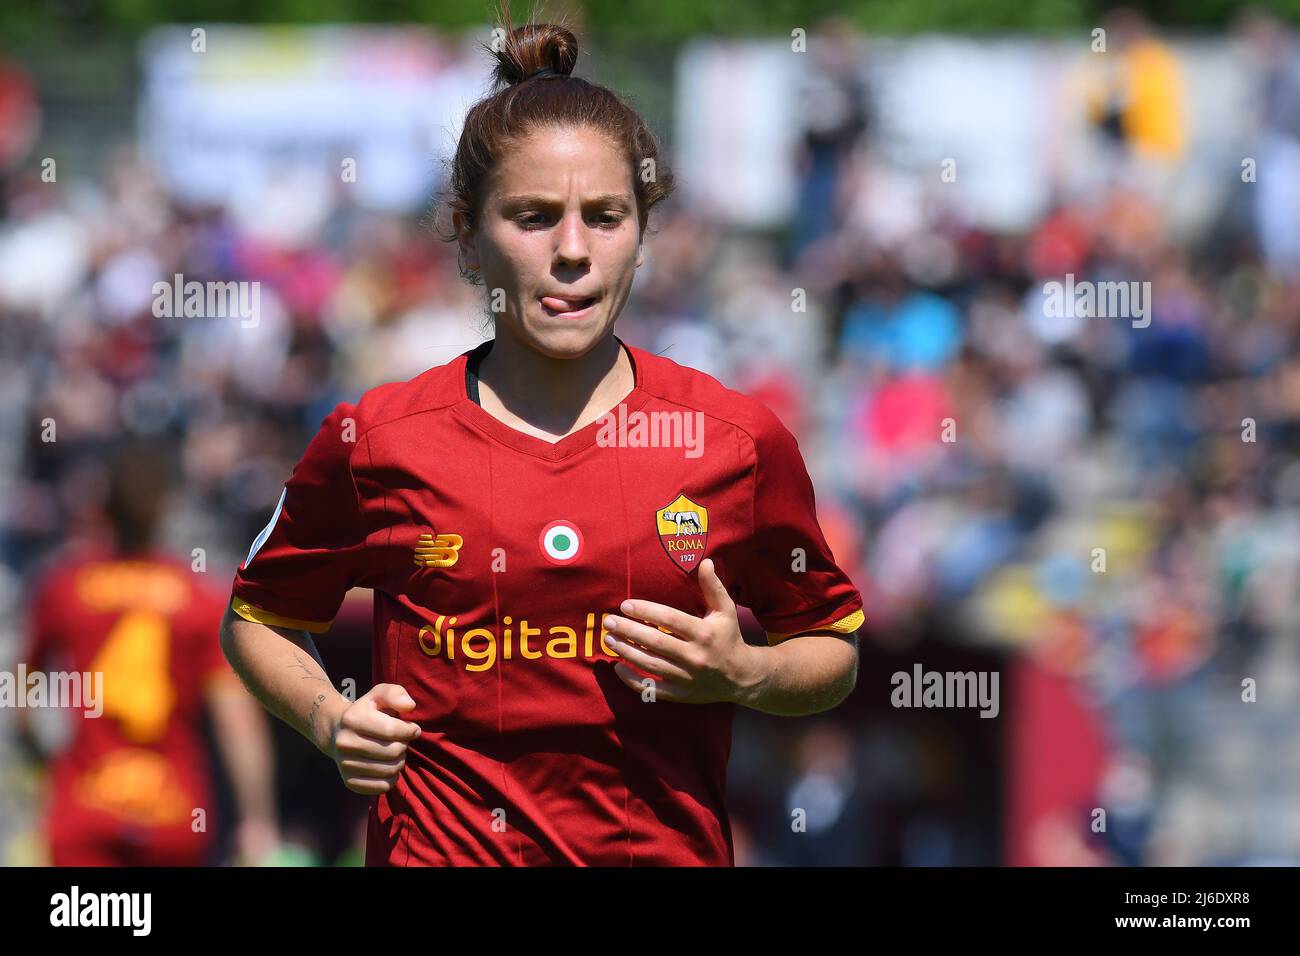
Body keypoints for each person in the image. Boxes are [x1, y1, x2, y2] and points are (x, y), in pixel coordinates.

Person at [220, 10, 864, 866]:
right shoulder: (375, 440)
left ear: (644, 232)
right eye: (532, 217)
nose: (572, 250)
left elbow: (832, 648)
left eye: (606, 216)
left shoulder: (735, 442)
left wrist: (749, 673)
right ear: (467, 234)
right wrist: (331, 719)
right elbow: (256, 617)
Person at [17, 438, 280, 866]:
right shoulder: (198, 598)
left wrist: (45, 761)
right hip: (173, 813)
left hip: (84, 810)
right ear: (164, 508)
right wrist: (257, 819)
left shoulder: (64, 589)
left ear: (103, 507)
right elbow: (235, 718)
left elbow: (22, 698)